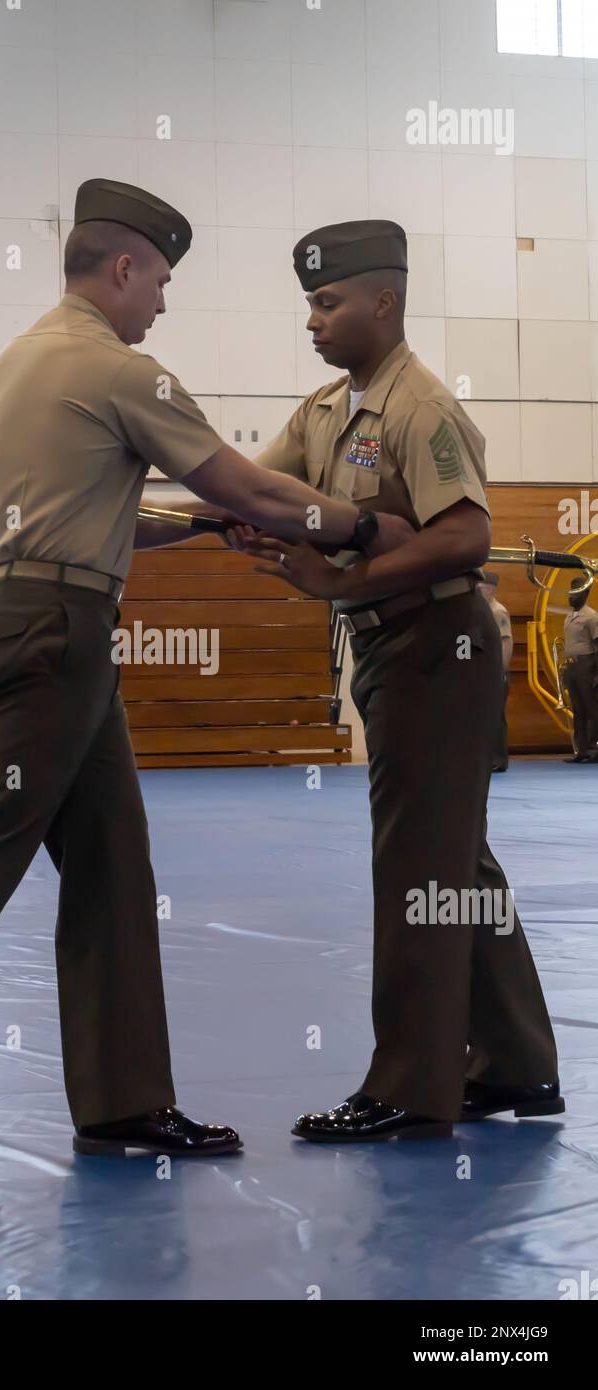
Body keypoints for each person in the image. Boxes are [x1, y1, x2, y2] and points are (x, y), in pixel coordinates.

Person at [0, 183, 411, 1179]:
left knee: (112, 866)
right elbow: (238, 481)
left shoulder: (22, 361)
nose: (160, 306)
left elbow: (70, 513)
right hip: (59, 633)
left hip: (33, 618)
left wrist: (188, 530)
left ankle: (123, 1103)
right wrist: (359, 526)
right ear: (123, 270)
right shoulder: (120, 370)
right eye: (157, 284)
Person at [229, 219, 562, 1141]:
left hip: (435, 650)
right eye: (309, 304)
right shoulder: (329, 411)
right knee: (456, 866)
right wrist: (194, 512)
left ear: (385, 300)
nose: (313, 320)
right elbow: (256, 489)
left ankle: (411, 1090)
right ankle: (521, 1068)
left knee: (419, 870)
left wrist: (342, 578)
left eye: (328, 302)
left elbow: (463, 534)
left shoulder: (422, 409)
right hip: (390, 651)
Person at [477, 572, 512, 772]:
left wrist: (501, 670)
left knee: (496, 717)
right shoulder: (483, 611)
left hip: (496, 672)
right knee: (487, 716)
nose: (478, 589)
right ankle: (489, 757)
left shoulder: (498, 612)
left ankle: (498, 759)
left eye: (482, 586)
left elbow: (506, 643)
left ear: (491, 588)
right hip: (485, 672)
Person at [561, 578, 598, 763]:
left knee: (591, 709)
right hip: (572, 666)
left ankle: (593, 751)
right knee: (578, 709)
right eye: (570, 592)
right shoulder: (570, 616)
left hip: (587, 664)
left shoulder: (591, 616)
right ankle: (581, 750)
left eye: (576, 593)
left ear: (585, 594)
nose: (571, 596)